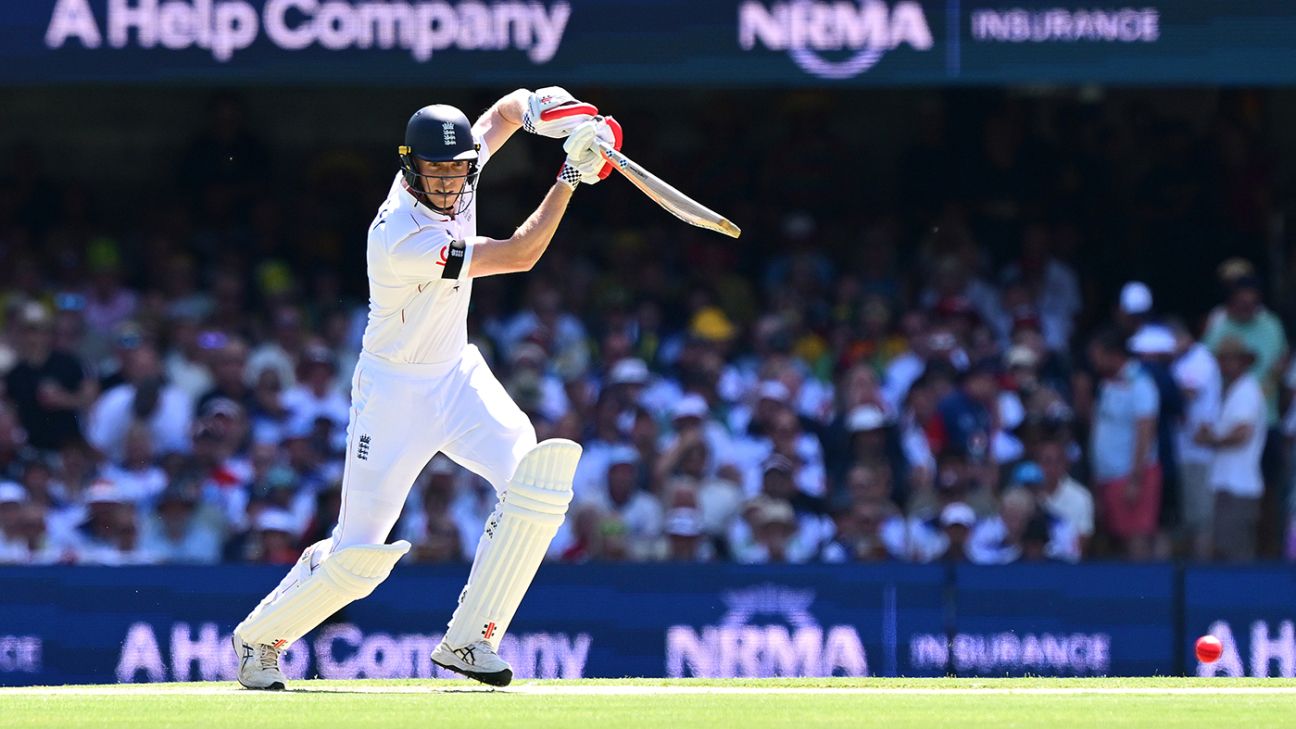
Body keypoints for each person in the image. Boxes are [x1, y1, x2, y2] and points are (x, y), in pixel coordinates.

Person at [231, 87, 621, 690]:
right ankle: (259, 639)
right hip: (393, 395)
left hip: (456, 374)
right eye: (433, 172)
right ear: (409, 168)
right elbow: (519, 256)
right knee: (359, 557)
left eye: (457, 170)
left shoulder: (462, 170)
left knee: (537, 483)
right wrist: (570, 172)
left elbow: (506, 112)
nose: (446, 184)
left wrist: (558, 114)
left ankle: (471, 640)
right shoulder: (400, 237)